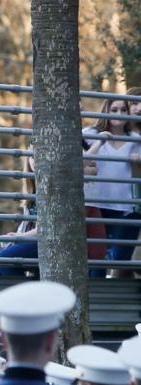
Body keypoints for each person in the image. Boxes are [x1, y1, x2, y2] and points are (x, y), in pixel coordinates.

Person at [0, 153, 103, 276]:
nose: (37, 160)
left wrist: (20, 237)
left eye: (42, 155)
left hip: (61, 242)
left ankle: (27, 294)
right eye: (33, 156)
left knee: (5, 259)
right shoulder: (34, 188)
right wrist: (16, 237)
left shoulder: (60, 184)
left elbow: (49, 227)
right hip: (42, 239)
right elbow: (29, 225)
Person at [84, 97, 141, 278]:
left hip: (123, 207)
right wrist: (99, 141)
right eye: (114, 110)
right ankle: (94, 300)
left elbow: (136, 179)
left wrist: (136, 164)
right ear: (105, 112)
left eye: (123, 110)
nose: (119, 114)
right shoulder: (90, 133)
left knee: (119, 258)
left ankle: (111, 299)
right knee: (95, 259)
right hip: (95, 207)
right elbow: (81, 164)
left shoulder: (135, 139)